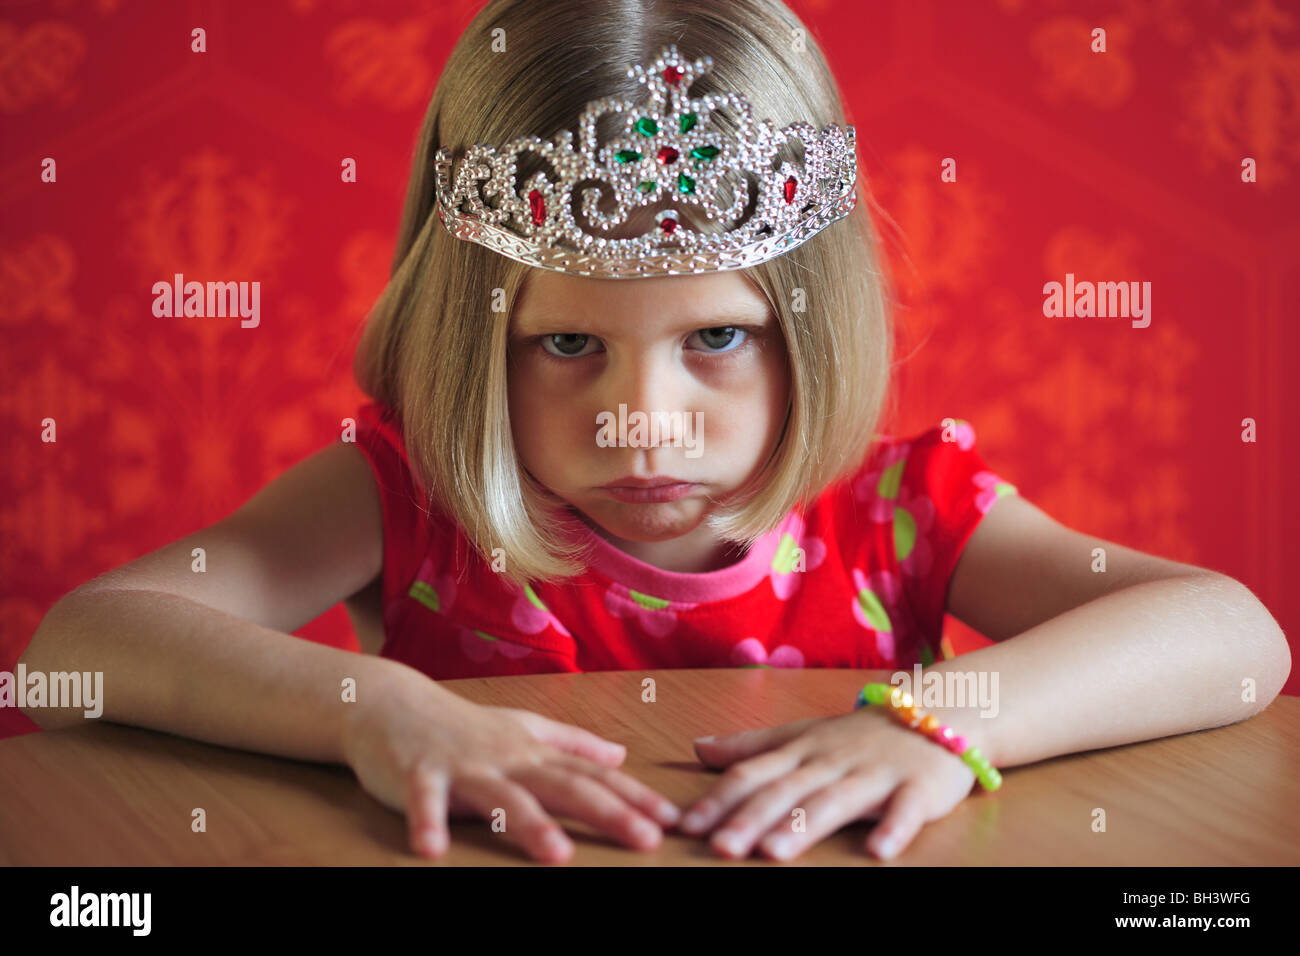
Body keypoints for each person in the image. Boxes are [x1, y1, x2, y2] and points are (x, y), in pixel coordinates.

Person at [20, 0, 1290, 865]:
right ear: (472, 335)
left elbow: (1234, 636)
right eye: (567, 343)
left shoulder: (899, 514)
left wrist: (941, 716)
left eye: (718, 339)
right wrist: (373, 707)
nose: (643, 418)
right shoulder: (408, 501)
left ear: (814, 327)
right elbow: (78, 649)